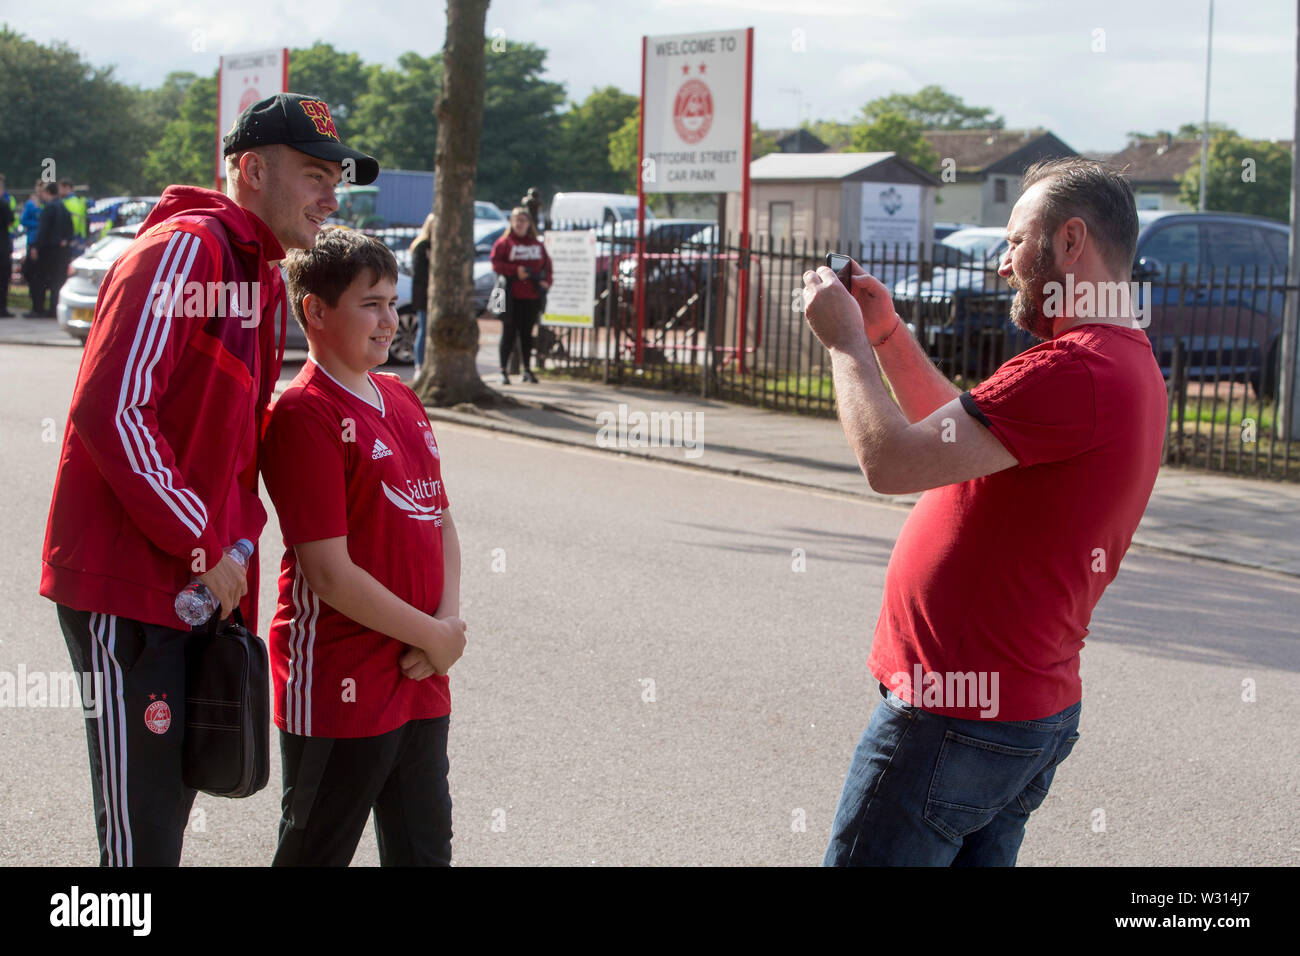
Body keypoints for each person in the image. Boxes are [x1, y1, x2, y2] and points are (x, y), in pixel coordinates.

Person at [39, 92, 379, 867]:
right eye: (314, 175)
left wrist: (233, 551)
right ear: (251, 170)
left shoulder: (257, 271)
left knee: (162, 819)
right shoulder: (189, 249)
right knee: (141, 842)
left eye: (337, 180)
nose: (332, 197)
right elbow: (113, 408)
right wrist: (207, 546)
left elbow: (229, 449)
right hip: (128, 587)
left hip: (194, 590)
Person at [803, 158, 1167, 866]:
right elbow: (948, 433)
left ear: (1069, 242)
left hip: (953, 721)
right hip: (1017, 714)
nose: (1004, 265)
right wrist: (884, 335)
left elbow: (894, 463)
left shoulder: (1073, 371)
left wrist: (844, 345)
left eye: (1013, 241)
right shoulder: (1118, 361)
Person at [260, 228, 466, 866]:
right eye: (370, 303)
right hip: (340, 681)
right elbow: (328, 572)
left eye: (393, 301)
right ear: (315, 312)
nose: (389, 320)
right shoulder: (302, 413)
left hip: (419, 673)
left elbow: (441, 519)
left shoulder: (403, 396)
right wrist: (432, 637)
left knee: (424, 852)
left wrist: (445, 625)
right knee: (315, 853)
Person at [490, 206, 551, 384]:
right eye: (516, 220)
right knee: (508, 333)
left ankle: (527, 369)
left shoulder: (537, 245)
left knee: (526, 334)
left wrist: (546, 282)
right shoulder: (504, 243)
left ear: (528, 224)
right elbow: (496, 264)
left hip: (531, 296)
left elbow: (547, 267)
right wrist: (515, 271)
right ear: (511, 222)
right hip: (510, 296)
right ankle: (503, 370)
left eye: (523, 220)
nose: (519, 224)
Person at [27, 182, 71, 317]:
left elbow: (43, 230)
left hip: (47, 251)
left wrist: (35, 247)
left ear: (47, 193)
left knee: (39, 280)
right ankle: (53, 310)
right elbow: (70, 228)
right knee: (56, 282)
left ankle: (38, 309)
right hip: (61, 251)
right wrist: (65, 240)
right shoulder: (63, 207)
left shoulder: (49, 208)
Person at [408, 212, 434, 368]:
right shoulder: (422, 245)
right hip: (424, 294)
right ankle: (419, 364)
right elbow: (419, 273)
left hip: (435, 296)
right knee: (423, 330)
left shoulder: (440, 244)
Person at [0, 173, 14, 318]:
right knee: (3, 279)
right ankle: (2, 309)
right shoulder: (4, 204)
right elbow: (11, 222)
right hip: (2, 245)